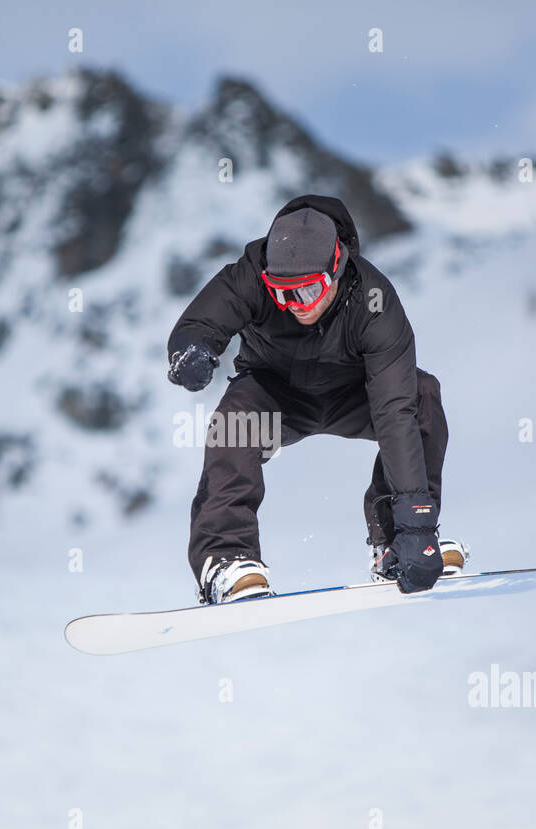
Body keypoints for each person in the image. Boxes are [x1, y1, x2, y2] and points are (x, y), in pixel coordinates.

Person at [167, 195, 466, 604]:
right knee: (234, 418)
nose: (296, 306)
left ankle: (395, 543)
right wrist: (192, 350)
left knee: (422, 395)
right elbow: (200, 322)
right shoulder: (250, 275)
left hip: (355, 393)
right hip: (275, 395)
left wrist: (417, 526)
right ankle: (225, 561)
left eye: (309, 290)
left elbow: (394, 410)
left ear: (337, 267)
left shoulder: (374, 300)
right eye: (283, 293)